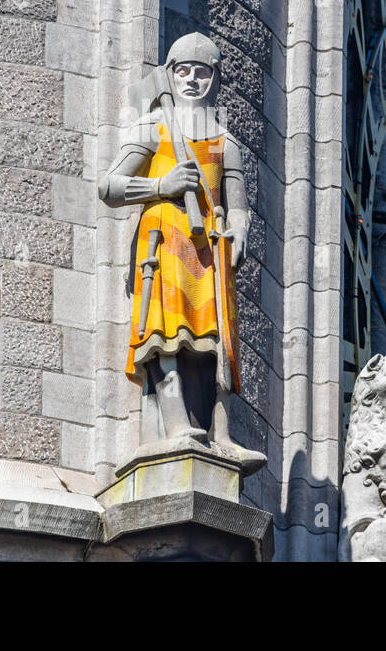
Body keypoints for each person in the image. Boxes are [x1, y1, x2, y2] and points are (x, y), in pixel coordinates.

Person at [99, 32, 265, 471]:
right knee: (164, 335)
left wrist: (239, 231)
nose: (192, 80)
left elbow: (238, 206)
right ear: (171, 75)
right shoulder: (153, 127)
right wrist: (161, 185)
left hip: (208, 247)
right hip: (164, 239)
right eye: (183, 71)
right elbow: (110, 185)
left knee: (216, 341)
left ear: (214, 78)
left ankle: (221, 436)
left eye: (202, 72)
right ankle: (174, 427)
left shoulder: (225, 141)